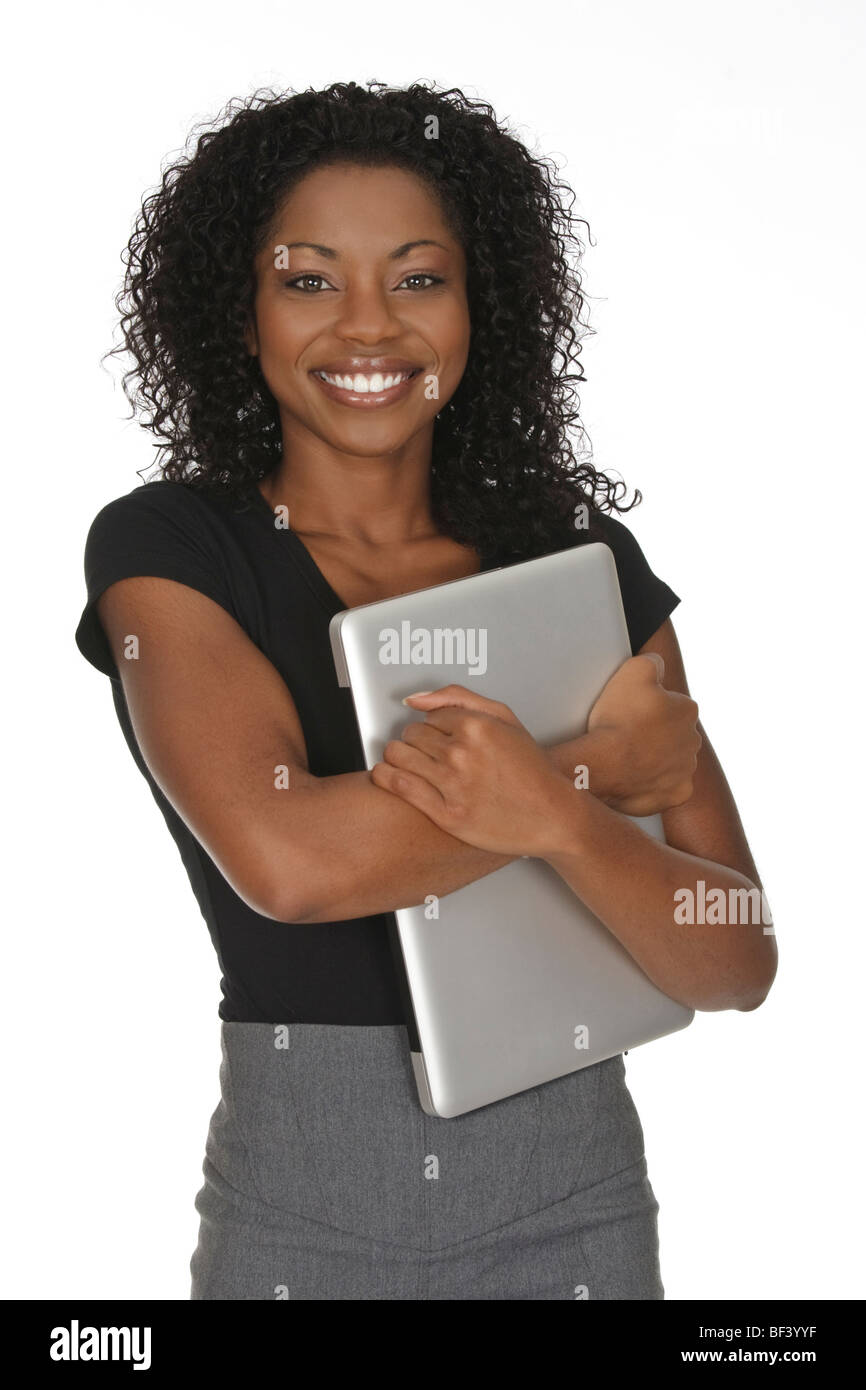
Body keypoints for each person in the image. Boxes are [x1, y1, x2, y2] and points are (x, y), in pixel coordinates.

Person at [75, 80, 777, 1300]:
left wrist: (552, 819)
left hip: (576, 1200)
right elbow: (290, 864)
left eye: (417, 277)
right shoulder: (175, 548)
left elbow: (732, 956)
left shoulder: (578, 558)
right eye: (306, 279)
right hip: (300, 1207)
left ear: (474, 306)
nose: (367, 326)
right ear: (239, 315)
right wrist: (589, 774)